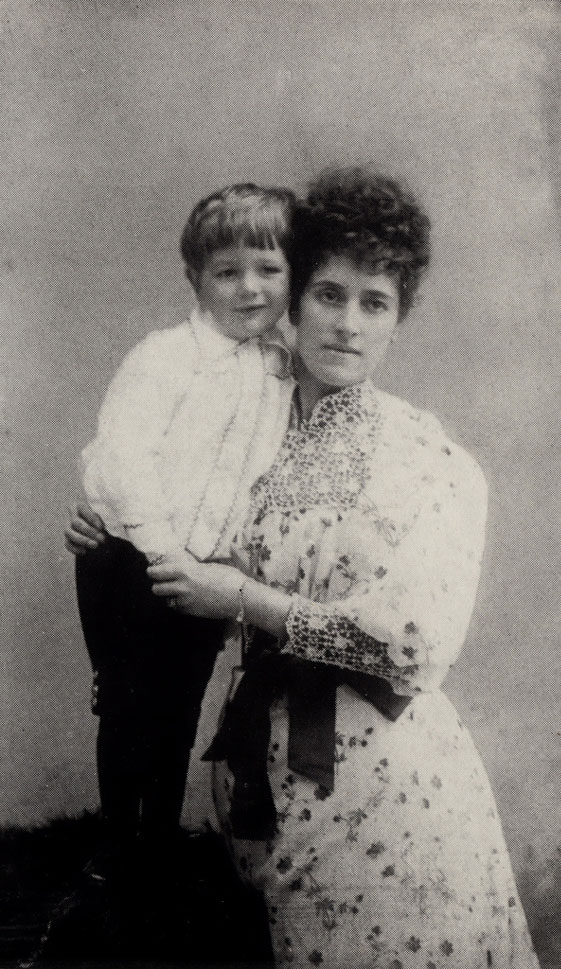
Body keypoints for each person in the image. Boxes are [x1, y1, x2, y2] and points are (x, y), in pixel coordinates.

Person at [142, 167, 541, 968]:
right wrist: (109, 520)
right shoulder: (236, 426)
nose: (348, 324)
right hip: (258, 796)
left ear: (399, 318)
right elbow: (170, 532)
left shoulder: (427, 457)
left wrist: (247, 599)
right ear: (291, 299)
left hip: (390, 809)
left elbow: (412, 647)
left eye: (375, 303)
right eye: (329, 294)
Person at [65, 184, 296, 868]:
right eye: (227, 273)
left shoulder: (281, 371)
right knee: (130, 704)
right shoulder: (164, 357)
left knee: (181, 706)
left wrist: (227, 569)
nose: (248, 288)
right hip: (131, 555)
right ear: (195, 279)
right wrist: (163, 552)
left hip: (205, 571)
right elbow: (121, 456)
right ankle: (117, 844)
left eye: (268, 270)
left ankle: (158, 838)